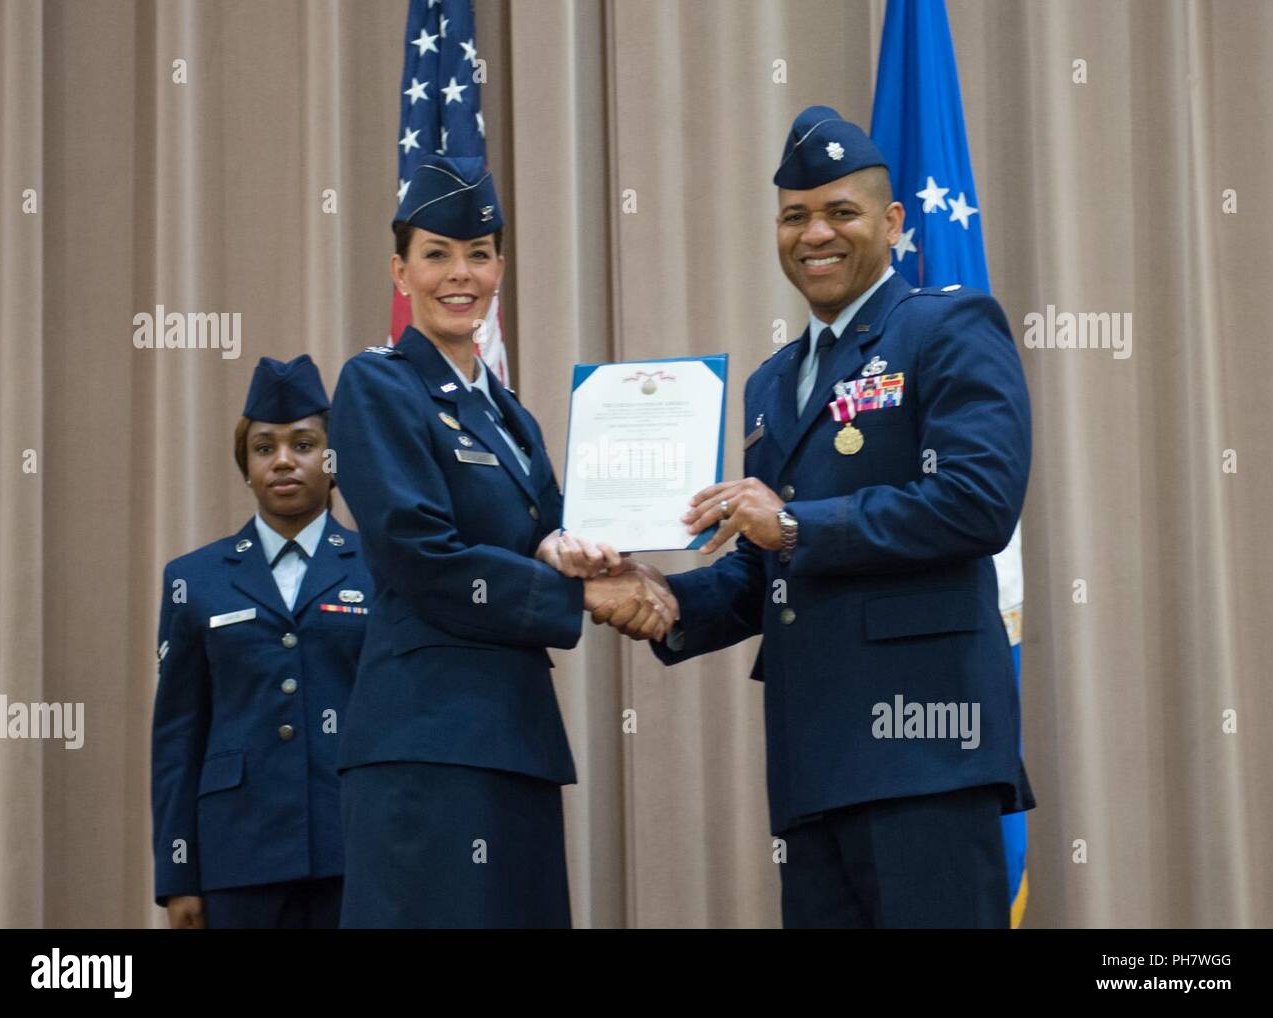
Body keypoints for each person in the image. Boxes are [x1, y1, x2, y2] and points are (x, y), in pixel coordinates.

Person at [611, 106, 1035, 928]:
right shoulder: (771, 382)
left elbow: (977, 503)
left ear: (893, 221)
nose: (815, 234)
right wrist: (658, 598)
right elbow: (765, 561)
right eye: (795, 216)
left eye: (841, 212)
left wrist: (798, 527)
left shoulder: (945, 326)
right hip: (814, 766)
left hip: (925, 752)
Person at [328, 154, 673, 928]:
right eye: (437, 254)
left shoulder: (513, 418)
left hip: (516, 738)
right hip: (427, 740)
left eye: (478, 254)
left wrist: (585, 553)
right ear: (400, 271)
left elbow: (554, 530)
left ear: (500, 269)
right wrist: (579, 592)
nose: (461, 275)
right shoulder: (377, 385)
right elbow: (420, 555)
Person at [151, 354, 374, 929]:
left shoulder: (381, 569)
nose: (283, 460)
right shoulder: (194, 579)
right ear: (246, 468)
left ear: (333, 461)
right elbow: (178, 735)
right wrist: (178, 876)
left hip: (356, 847)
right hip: (237, 855)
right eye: (263, 447)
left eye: (303, 444)